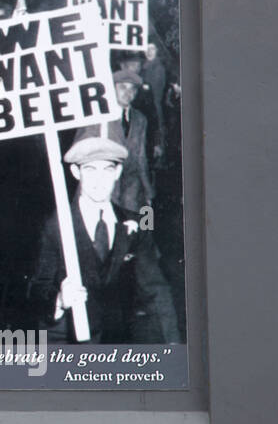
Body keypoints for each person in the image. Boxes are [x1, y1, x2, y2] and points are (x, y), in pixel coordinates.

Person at [23, 136, 175, 344]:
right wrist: (59, 300)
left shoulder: (134, 223)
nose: (99, 180)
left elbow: (155, 290)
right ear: (76, 173)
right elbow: (35, 290)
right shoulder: (55, 225)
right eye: (90, 170)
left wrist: (172, 343)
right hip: (64, 341)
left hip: (116, 342)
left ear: (118, 172)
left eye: (107, 170)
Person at [75, 69, 152, 213]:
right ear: (112, 89)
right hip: (102, 186)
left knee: (139, 225)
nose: (128, 93)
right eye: (122, 87)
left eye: (132, 89)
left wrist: (148, 190)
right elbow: (79, 151)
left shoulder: (140, 119)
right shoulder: (97, 116)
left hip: (131, 189)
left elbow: (141, 157)